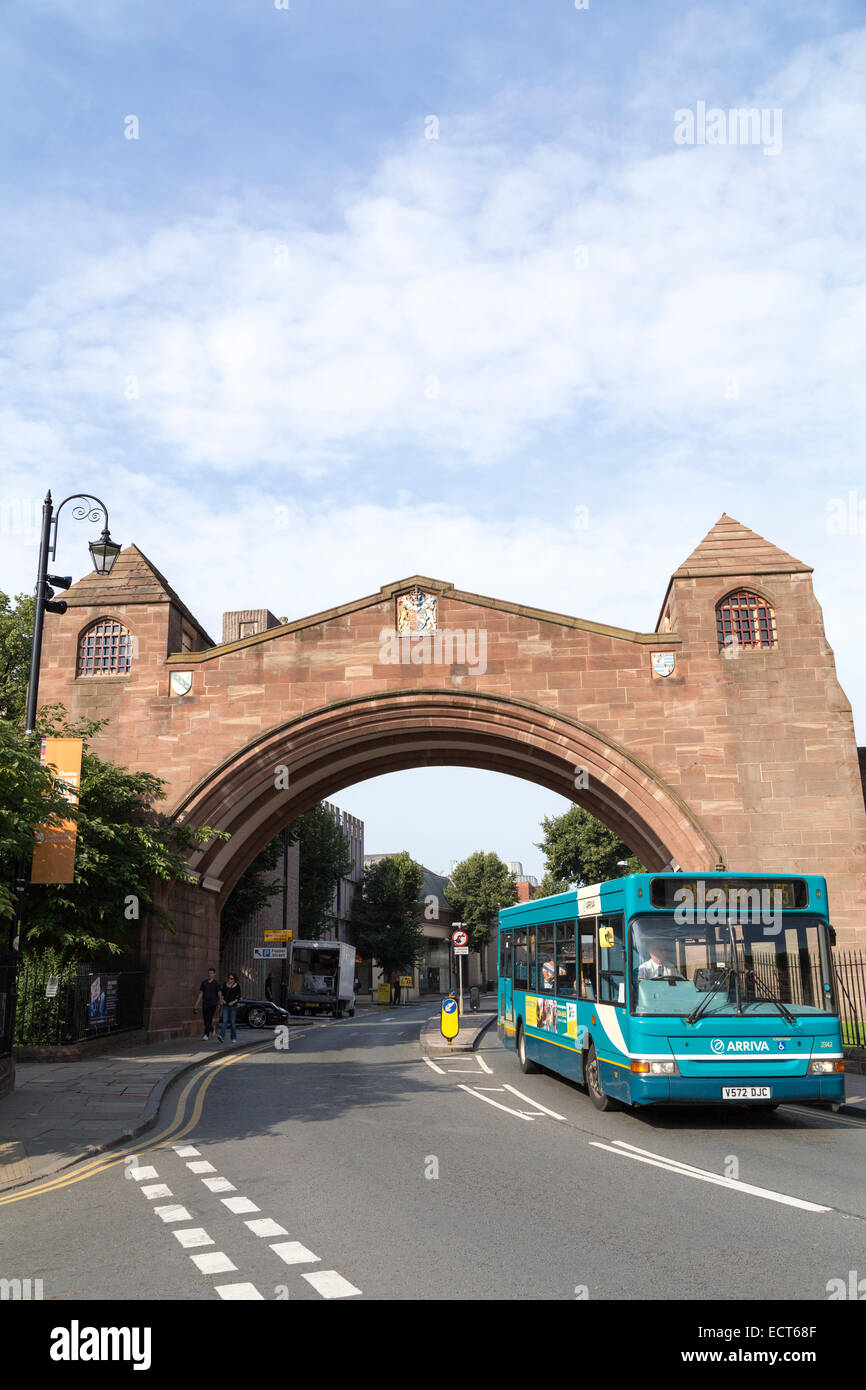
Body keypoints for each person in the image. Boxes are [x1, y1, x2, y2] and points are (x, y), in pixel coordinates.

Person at [194, 967, 220, 1040]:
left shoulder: (216, 983)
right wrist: (196, 1004)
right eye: (209, 973)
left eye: (211, 973)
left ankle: (206, 1035)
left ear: (214, 974)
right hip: (205, 1003)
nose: (210, 974)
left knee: (209, 1019)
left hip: (213, 1004)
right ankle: (211, 1029)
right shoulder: (204, 983)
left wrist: (219, 1003)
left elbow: (219, 993)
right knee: (205, 1020)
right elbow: (201, 994)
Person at [217, 972, 241, 1042]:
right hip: (225, 1006)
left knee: (232, 1023)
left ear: (234, 979)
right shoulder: (225, 984)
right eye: (229, 978)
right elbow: (222, 993)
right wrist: (222, 1000)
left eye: (231, 978)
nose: (230, 980)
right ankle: (221, 1036)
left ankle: (233, 1037)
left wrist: (233, 1002)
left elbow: (239, 997)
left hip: (233, 1006)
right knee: (224, 1021)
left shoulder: (237, 986)